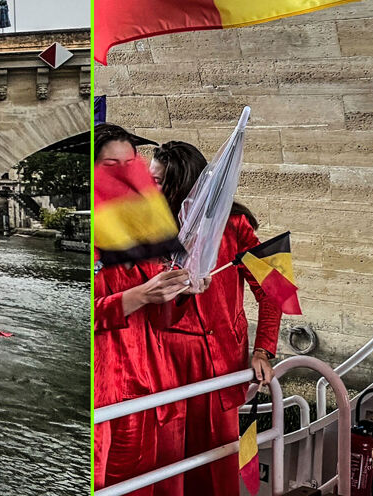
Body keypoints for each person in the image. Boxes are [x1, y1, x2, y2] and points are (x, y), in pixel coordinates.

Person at [149, 140, 281, 496]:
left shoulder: (234, 223)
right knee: (168, 469)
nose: (150, 188)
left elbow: (272, 288)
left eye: (158, 181)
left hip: (221, 364)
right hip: (166, 366)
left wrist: (263, 350)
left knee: (218, 469)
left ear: (182, 183)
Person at [93, 125, 189, 495]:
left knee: (141, 483)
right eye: (111, 164)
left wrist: (180, 292)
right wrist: (137, 297)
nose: (125, 173)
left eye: (130, 163)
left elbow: (163, 320)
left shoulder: (144, 231)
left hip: (148, 386)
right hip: (107, 390)